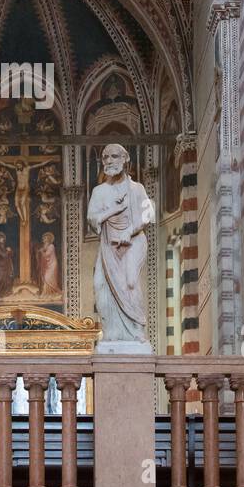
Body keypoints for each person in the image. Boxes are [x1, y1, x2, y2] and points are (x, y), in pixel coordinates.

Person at [86, 143, 153, 344]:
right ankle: (111, 334)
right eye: (105, 157)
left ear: (125, 159)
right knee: (100, 285)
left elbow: (147, 215)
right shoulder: (99, 191)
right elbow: (92, 218)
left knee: (130, 282)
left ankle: (136, 330)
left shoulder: (137, 188)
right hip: (108, 245)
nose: (109, 161)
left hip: (133, 242)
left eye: (114, 156)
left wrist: (129, 231)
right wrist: (112, 211)